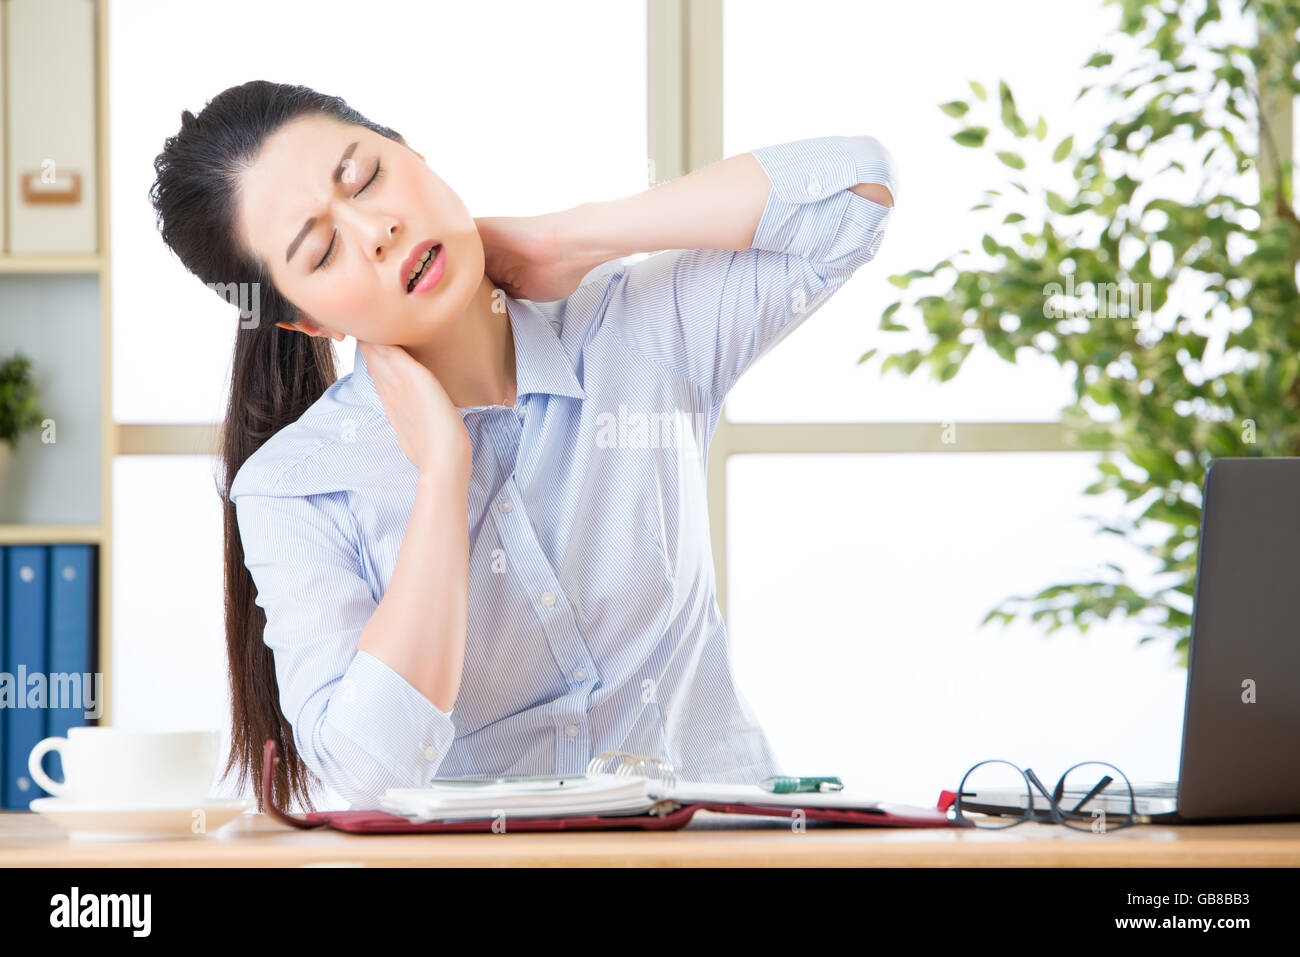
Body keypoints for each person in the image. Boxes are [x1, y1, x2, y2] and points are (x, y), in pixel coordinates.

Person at [149, 79, 898, 812]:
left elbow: (856, 194)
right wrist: (444, 475)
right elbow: (371, 768)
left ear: (413, 153)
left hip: (726, 845)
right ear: (308, 323)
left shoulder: (633, 326)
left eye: (368, 176)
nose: (376, 231)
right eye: (320, 253)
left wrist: (568, 236)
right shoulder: (295, 485)